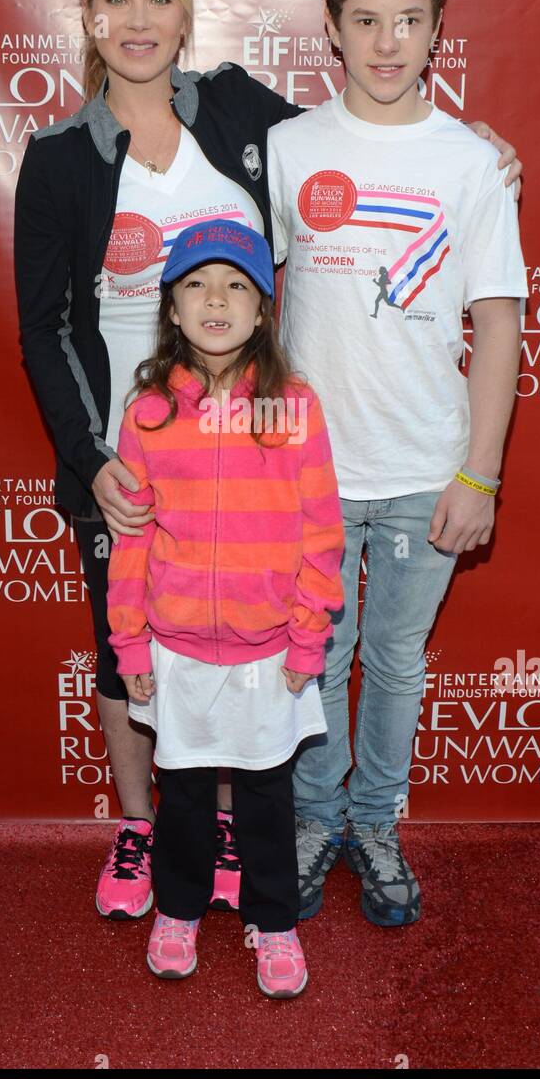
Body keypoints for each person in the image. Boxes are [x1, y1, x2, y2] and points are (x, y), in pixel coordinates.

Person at [13, 0, 522, 925]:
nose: (139, 17)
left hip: (330, 455)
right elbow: (42, 326)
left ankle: (338, 822)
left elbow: (385, 140)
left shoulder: (245, 117)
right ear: (88, 15)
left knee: (340, 653)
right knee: (173, 651)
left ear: (188, 10)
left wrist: (482, 144)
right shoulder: (84, 155)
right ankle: (196, 823)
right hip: (171, 455)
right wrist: (93, 452)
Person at [266, 0, 530, 927]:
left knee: (399, 662)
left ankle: (376, 821)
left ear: (436, 30)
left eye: (408, 19)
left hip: (429, 469)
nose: (386, 43)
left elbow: (499, 327)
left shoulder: (471, 165)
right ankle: (314, 819)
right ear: (331, 26)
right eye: (366, 19)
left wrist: (481, 473)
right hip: (309, 471)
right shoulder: (286, 149)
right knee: (317, 661)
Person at [105, 222, 344, 996]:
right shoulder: (146, 415)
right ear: (171, 308)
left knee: (266, 800)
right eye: (197, 285)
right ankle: (176, 910)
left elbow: (320, 533)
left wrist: (307, 638)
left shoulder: (295, 408)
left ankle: (273, 926)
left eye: (236, 284)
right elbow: (132, 544)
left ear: (262, 310)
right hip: (174, 650)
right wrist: (130, 645)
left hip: (268, 651)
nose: (216, 300)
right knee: (182, 796)